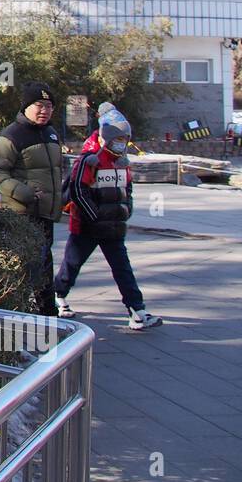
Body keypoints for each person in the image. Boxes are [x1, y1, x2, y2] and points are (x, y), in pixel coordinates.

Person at [54, 103, 163, 330]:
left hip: (113, 226)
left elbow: (127, 188)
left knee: (123, 268)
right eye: (119, 139)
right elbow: (78, 190)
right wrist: (93, 216)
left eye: (125, 139)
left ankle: (137, 311)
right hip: (87, 226)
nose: (123, 144)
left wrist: (126, 208)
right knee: (72, 264)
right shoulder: (89, 159)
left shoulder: (121, 161)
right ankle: (58, 295)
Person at [0, 81, 65, 317]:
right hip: (22, 214)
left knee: (43, 264)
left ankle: (46, 315)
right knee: (30, 266)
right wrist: (24, 193)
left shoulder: (51, 133)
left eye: (49, 106)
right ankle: (21, 313)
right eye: (39, 105)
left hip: (46, 214)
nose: (44, 110)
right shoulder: (11, 136)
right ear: (26, 107)